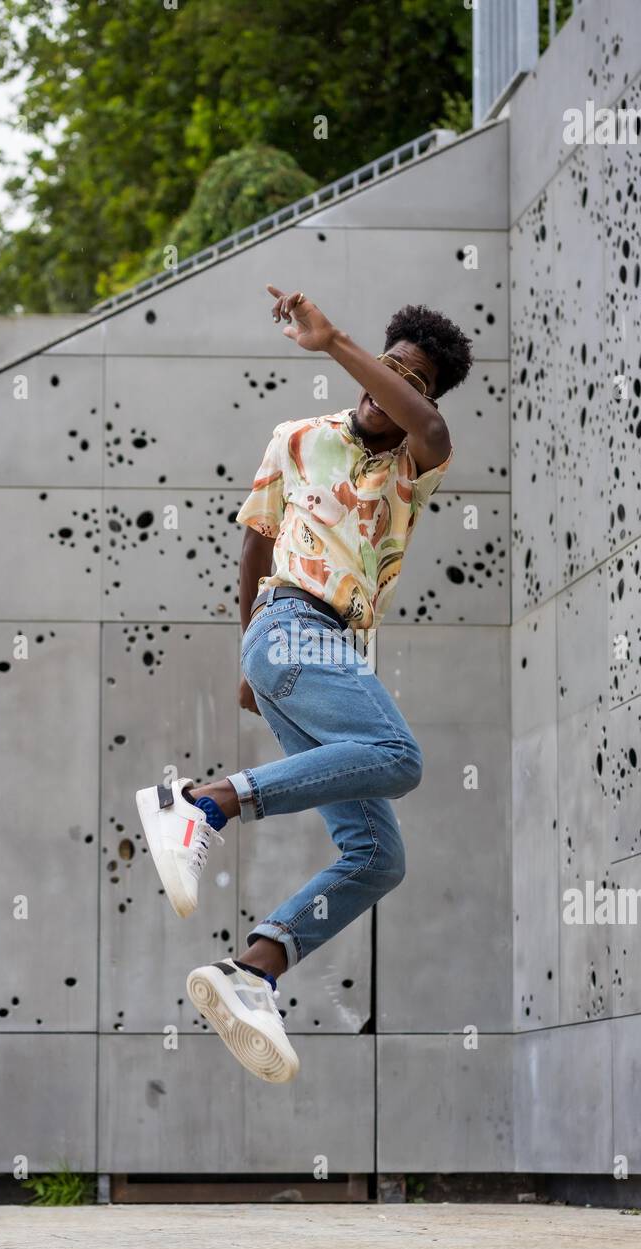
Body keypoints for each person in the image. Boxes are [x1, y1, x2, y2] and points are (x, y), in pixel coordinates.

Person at [137, 285, 473, 1082]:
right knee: (399, 754)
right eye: (387, 366)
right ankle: (201, 802)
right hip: (287, 629)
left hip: (330, 650)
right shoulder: (295, 439)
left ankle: (252, 971)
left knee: (375, 856)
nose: (388, 384)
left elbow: (429, 424)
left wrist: (336, 342)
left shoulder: (413, 462)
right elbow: (255, 545)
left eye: (411, 378)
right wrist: (248, 650)